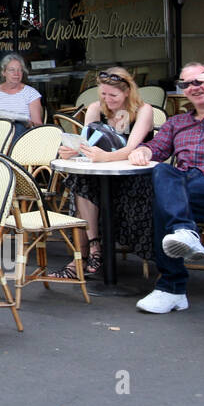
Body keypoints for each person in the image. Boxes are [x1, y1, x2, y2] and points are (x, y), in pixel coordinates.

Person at [128, 62, 204, 314]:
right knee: (162, 174)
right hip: (184, 193)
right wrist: (142, 150)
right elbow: (157, 148)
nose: (193, 88)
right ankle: (184, 232)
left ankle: (171, 288)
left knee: (165, 202)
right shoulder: (177, 122)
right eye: (186, 84)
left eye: (200, 81)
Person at [49, 66, 155, 279]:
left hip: (132, 177)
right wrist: (74, 151)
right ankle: (93, 248)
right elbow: (86, 145)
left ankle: (84, 257)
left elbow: (130, 149)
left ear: (127, 92)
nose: (108, 99)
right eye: (103, 94)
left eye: (113, 95)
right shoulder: (96, 108)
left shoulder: (143, 110)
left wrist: (105, 157)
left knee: (81, 186)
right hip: (98, 175)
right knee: (80, 181)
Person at [0, 53, 43, 133]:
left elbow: (38, 125)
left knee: (18, 127)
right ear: (3, 72)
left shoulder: (31, 93)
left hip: (22, 137)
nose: (16, 74)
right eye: (12, 70)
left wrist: (29, 124)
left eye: (19, 70)